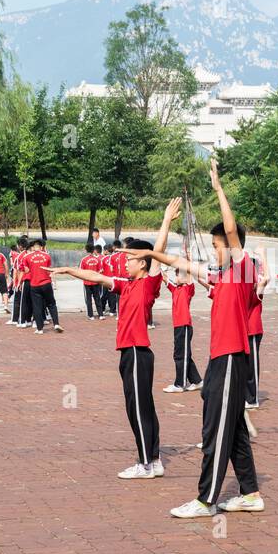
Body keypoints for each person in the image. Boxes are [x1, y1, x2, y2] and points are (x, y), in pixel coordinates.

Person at [124, 158, 265, 517]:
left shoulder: (243, 269)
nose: (216, 250)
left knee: (214, 429)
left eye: (219, 246)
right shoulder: (220, 277)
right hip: (220, 359)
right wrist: (150, 253)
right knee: (232, 429)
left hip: (233, 357)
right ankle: (250, 494)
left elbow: (232, 231)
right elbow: (179, 264)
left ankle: (206, 500)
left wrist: (219, 189)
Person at [47, 200, 180, 479]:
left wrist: (166, 220)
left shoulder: (148, 284)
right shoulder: (126, 285)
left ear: (142, 264)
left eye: (130, 260)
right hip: (130, 353)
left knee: (138, 408)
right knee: (143, 406)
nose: (125, 263)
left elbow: (157, 253)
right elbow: (96, 276)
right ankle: (153, 460)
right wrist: (69, 271)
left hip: (136, 351)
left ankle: (145, 463)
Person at [163, 240, 203, 393]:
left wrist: (188, 256)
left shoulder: (187, 288)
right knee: (184, 354)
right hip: (178, 326)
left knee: (181, 354)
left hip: (184, 325)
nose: (177, 277)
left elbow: (191, 273)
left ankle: (180, 384)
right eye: (177, 275)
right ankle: (197, 381)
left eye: (180, 275)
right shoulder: (176, 289)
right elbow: (165, 278)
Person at [243, 247, 272, 409]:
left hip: (253, 330)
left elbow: (266, 278)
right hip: (242, 330)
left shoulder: (256, 288)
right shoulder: (242, 287)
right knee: (244, 365)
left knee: (252, 366)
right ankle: (245, 395)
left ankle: (252, 398)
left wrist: (263, 255)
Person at [27, 237, 61, 334]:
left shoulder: (28, 257)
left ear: (33, 247)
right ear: (41, 247)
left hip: (34, 284)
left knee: (37, 306)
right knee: (51, 304)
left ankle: (40, 329)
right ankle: (56, 324)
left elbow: (26, 270)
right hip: (46, 283)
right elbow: (50, 269)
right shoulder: (47, 256)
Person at [79, 242, 103, 320]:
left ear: (86, 250)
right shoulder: (97, 259)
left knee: (88, 299)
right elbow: (101, 270)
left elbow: (80, 271)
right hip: (96, 282)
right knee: (97, 298)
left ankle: (91, 315)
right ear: (93, 250)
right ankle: (101, 315)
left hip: (87, 282)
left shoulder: (84, 260)